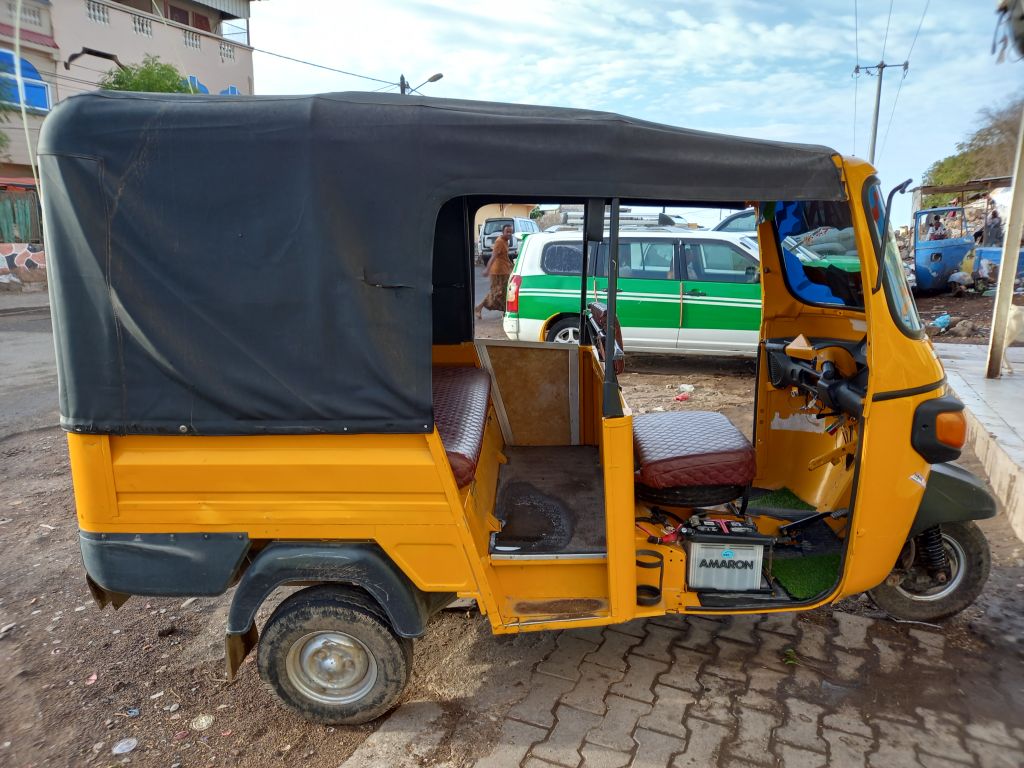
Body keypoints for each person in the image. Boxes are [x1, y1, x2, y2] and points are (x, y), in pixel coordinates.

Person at [475, 224, 513, 318]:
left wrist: (511, 265)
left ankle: (504, 311)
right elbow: (493, 256)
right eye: (507, 232)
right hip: (498, 272)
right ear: (502, 232)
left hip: (505, 271)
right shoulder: (499, 242)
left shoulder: (506, 241)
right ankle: (479, 308)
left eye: (510, 232)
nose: (509, 234)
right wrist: (487, 269)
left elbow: (504, 256)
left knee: (503, 292)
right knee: (497, 293)